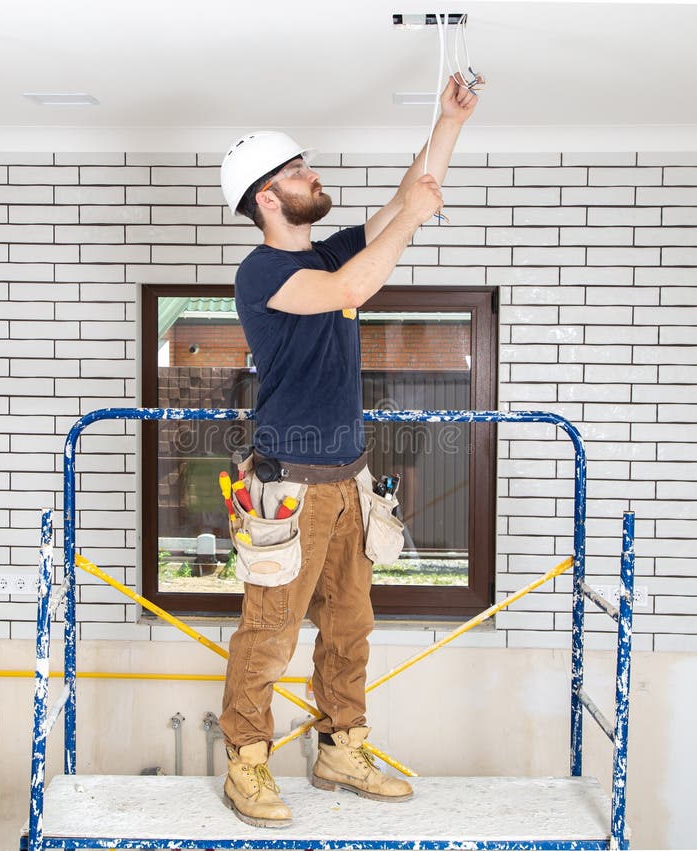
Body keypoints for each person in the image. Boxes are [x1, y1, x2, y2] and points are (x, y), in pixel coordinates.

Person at [217, 75, 479, 828]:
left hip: (348, 481)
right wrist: (411, 224)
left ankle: (340, 746)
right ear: (268, 197)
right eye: (298, 172)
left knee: (350, 628)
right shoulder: (263, 272)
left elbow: (407, 195)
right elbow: (352, 286)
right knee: (269, 633)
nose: (313, 177)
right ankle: (248, 764)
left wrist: (447, 122)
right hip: (288, 490)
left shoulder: (325, 249)